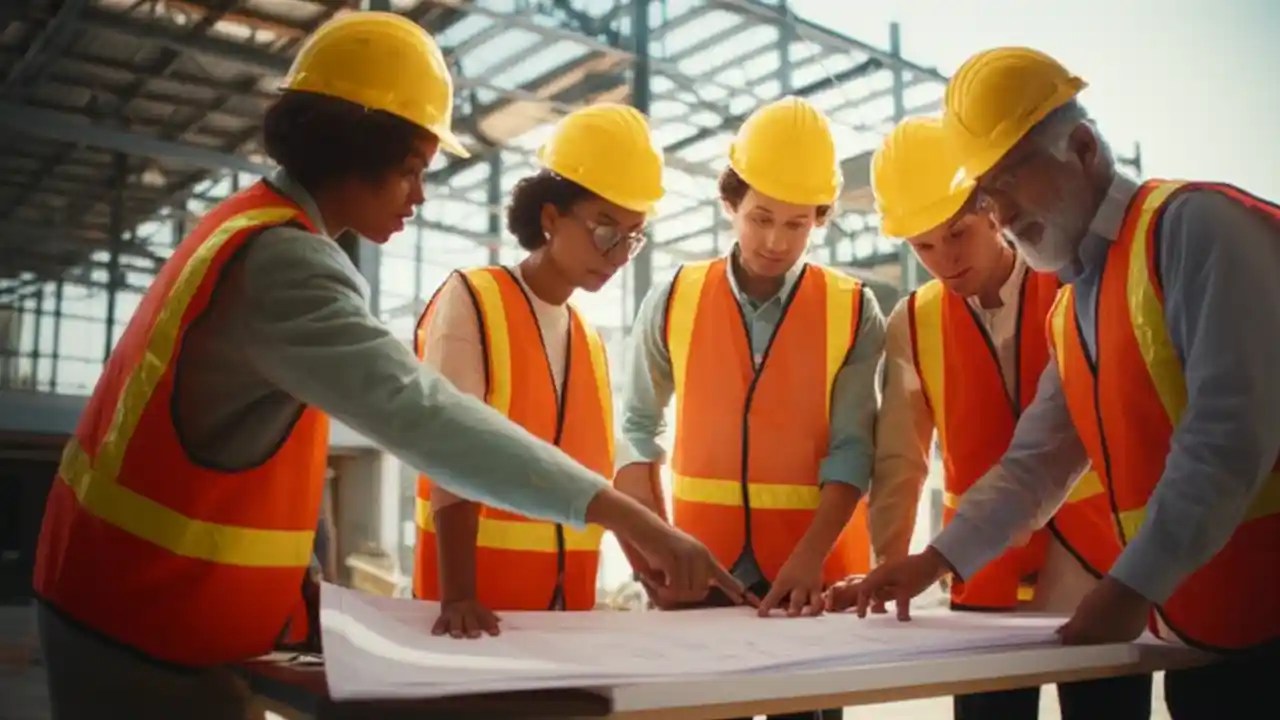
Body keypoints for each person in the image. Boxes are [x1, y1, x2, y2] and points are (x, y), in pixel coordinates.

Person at [30, 12, 745, 719]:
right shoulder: (287, 264)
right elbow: (430, 420)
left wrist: (297, 581)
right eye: (411, 169)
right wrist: (635, 521)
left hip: (149, 608)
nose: (421, 195)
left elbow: (252, 455)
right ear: (354, 149)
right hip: (145, 622)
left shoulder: (248, 230)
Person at [829, 46, 1280, 720]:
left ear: (1083, 146)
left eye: (1009, 180)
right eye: (987, 192)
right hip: (1205, 631)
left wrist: (1130, 585)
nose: (1000, 213)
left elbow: (1230, 438)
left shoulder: (1194, 228)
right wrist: (934, 562)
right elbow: (1033, 468)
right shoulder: (1075, 307)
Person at [867, 115, 1149, 719]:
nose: (944, 260)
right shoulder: (910, 324)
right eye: (922, 245)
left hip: (1095, 562)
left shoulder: (1070, 282)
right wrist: (889, 563)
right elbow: (900, 458)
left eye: (957, 232)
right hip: (980, 575)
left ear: (992, 207)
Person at [616, 94, 884, 720]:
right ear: (731, 202)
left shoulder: (853, 308)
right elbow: (635, 427)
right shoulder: (674, 296)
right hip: (699, 571)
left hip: (809, 577)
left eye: (796, 224)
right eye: (761, 216)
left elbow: (853, 449)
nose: (775, 240)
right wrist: (654, 548)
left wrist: (810, 559)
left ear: (818, 220)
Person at [412, 103, 663, 637]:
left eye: (633, 236)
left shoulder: (588, 338)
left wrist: (652, 576)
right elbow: (450, 452)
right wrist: (458, 595)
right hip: (474, 619)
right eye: (604, 229)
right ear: (550, 219)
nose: (619, 253)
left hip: (565, 623)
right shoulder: (473, 299)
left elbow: (597, 478)